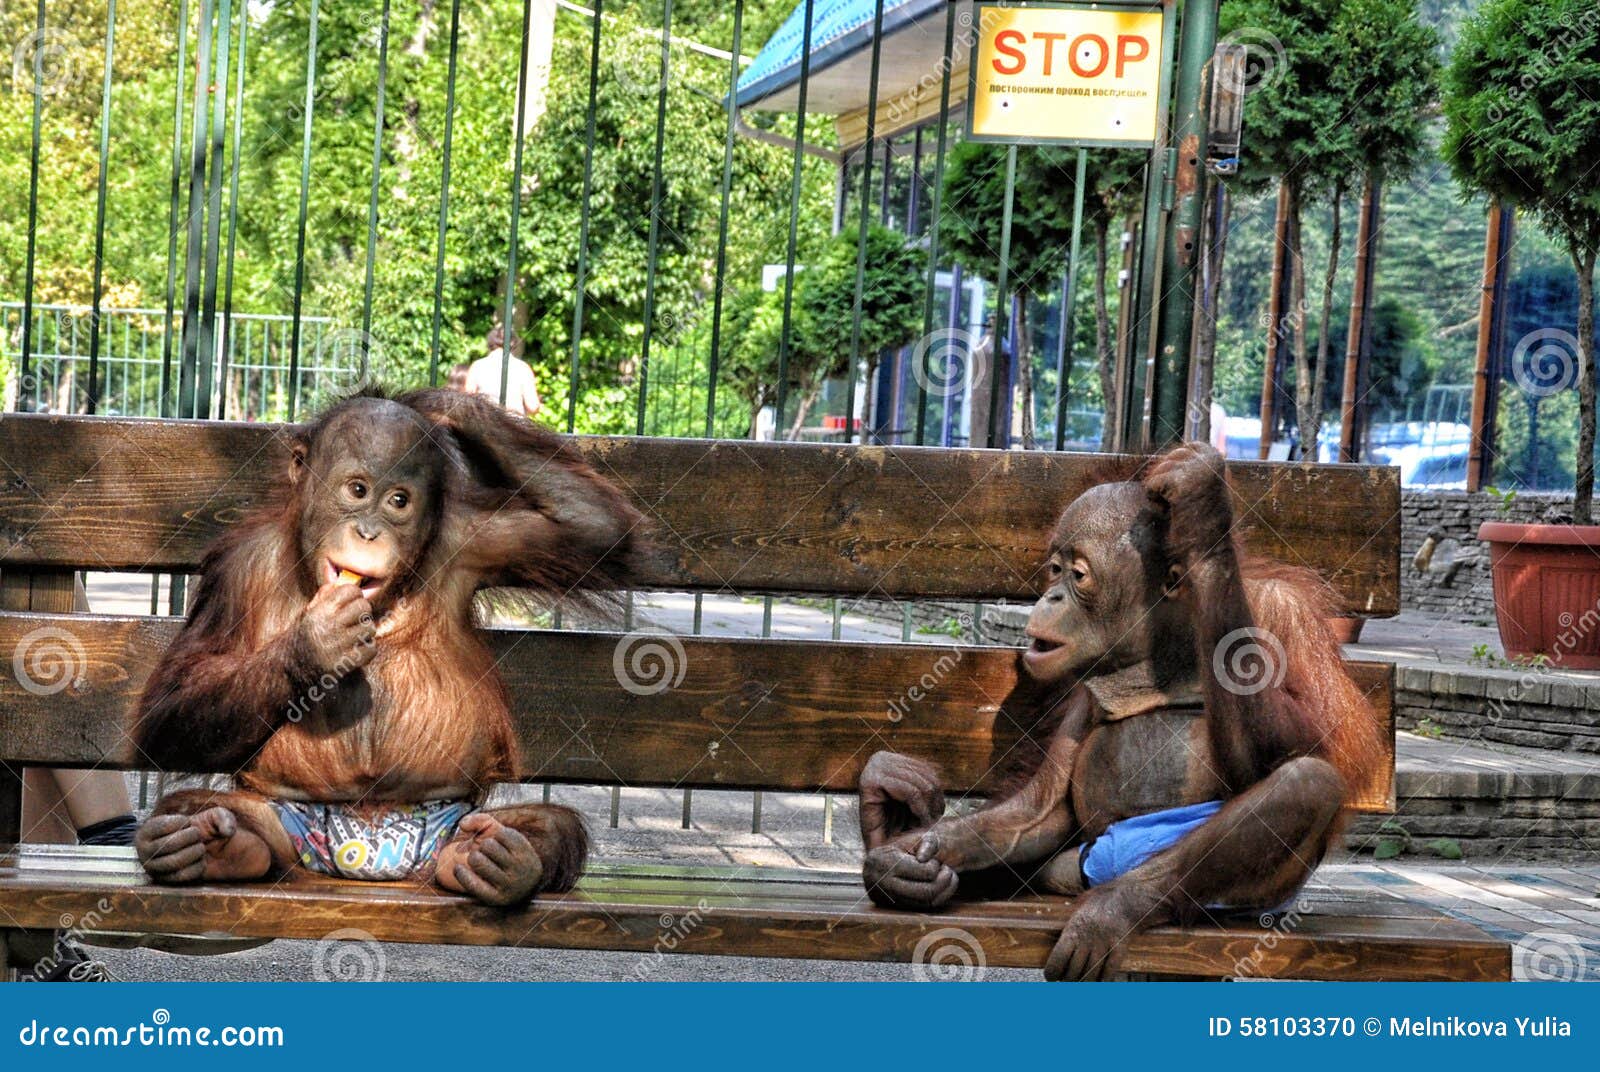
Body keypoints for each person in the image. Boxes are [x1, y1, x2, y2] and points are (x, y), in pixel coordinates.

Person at [463, 326, 541, 419]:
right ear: (513, 343)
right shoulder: (523, 368)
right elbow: (532, 406)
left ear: (490, 342)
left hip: (484, 425)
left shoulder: (476, 366)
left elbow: (467, 402)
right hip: (514, 426)